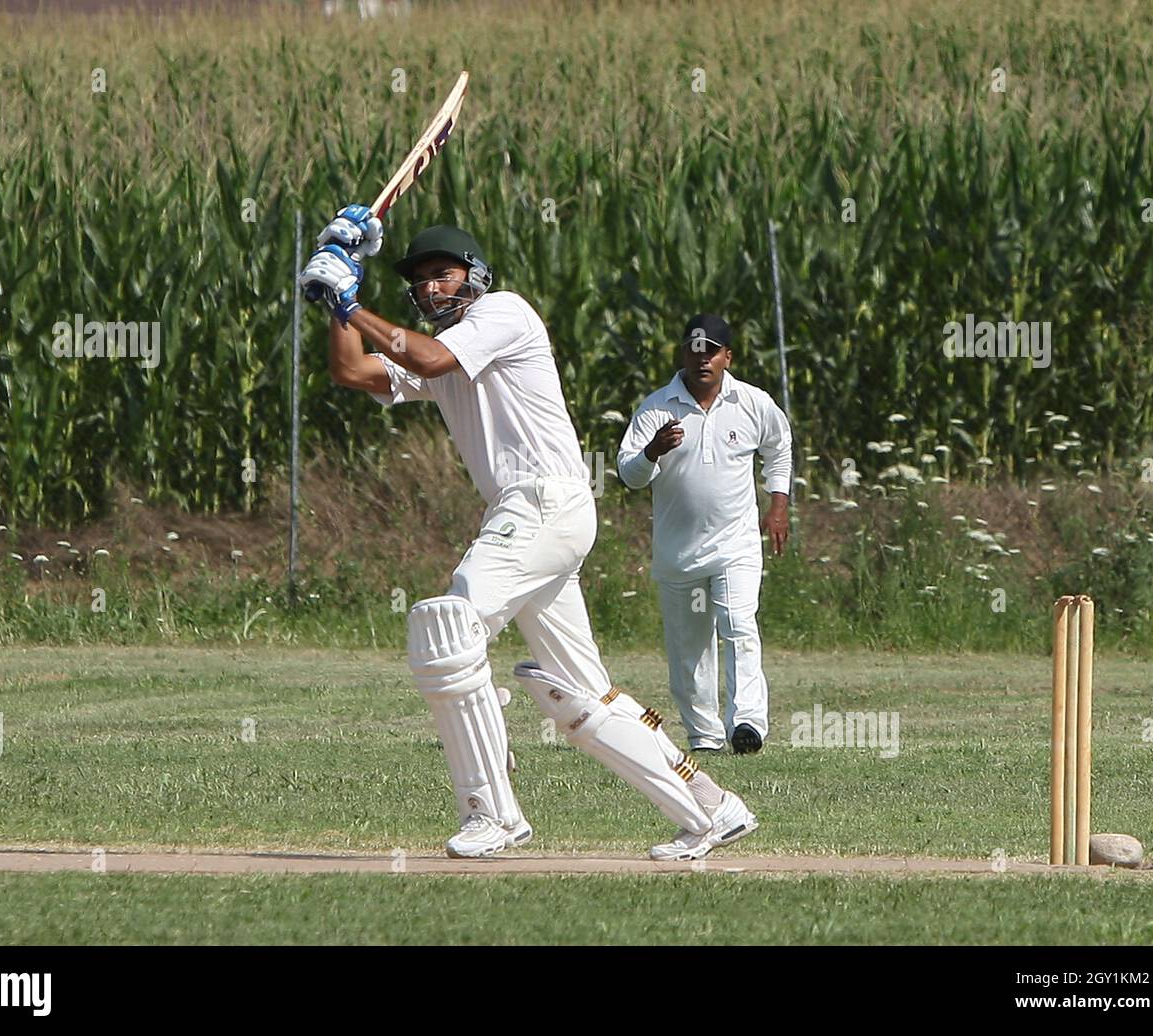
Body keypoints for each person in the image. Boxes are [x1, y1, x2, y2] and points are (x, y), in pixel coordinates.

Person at [298, 208, 757, 860]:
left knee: (448, 627)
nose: (431, 288)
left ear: (474, 277)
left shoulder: (501, 315)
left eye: (443, 274)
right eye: (421, 280)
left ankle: (493, 813)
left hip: (542, 503)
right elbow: (355, 372)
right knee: (581, 697)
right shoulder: (444, 348)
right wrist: (335, 300)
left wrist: (351, 296)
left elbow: (426, 357)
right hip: (539, 516)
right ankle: (711, 808)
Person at [617, 315, 792, 754]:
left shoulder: (752, 402)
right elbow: (629, 474)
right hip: (679, 553)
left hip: (736, 544)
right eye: (694, 350)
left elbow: (779, 445)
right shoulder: (657, 408)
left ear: (727, 357)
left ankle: (747, 723)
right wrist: (652, 452)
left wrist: (778, 505)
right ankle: (705, 736)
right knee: (689, 649)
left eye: (710, 351)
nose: (702, 359)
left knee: (738, 623)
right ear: (683, 355)